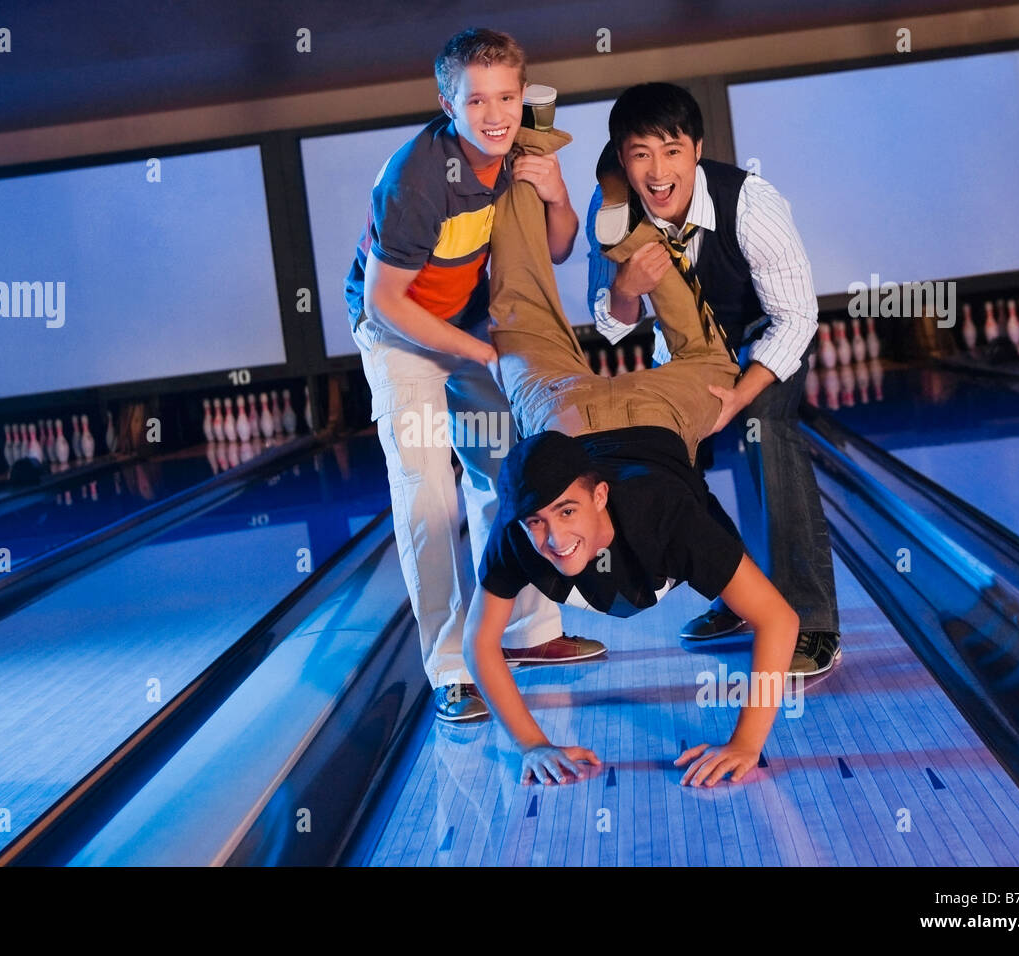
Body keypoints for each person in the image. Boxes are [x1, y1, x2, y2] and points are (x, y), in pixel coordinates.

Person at [463, 117, 798, 787]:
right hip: (571, 422)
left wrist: (744, 744)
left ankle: (539, 162)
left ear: (600, 496)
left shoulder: (663, 517)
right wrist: (533, 746)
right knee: (533, 310)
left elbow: (779, 620)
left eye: (562, 514)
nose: (552, 538)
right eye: (537, 523)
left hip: (629, 415)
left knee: (535, 307)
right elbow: (777, 620)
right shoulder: (527, 524)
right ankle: (610, 215)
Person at [344, 28, 605, 724]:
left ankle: (528, 635)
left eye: (507, 97)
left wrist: (557, 197)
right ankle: (452, 668)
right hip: (401, 335)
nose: (495, 114)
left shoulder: (520, 150)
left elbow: (556, 247)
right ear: (447, 103)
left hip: (468, 324)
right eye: (477, 100)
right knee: (429, 493)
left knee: (508, 475)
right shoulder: (417, 178)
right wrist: (478, 352)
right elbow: (384, 301)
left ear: (522, 95)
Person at [586, 82, 840, 676]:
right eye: (639, 152)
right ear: (621, 159)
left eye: (671, 150)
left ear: (696, 150)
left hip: (761, 343)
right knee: (669, 459)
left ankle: (812, 621)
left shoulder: (751, 203)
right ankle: (739, 596)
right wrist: (625, 291)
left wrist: (739, 396)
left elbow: (797, 317)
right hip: (680, 357)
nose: (656, 169)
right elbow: (614, 325)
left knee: (762, 431)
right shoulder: (614, 214)